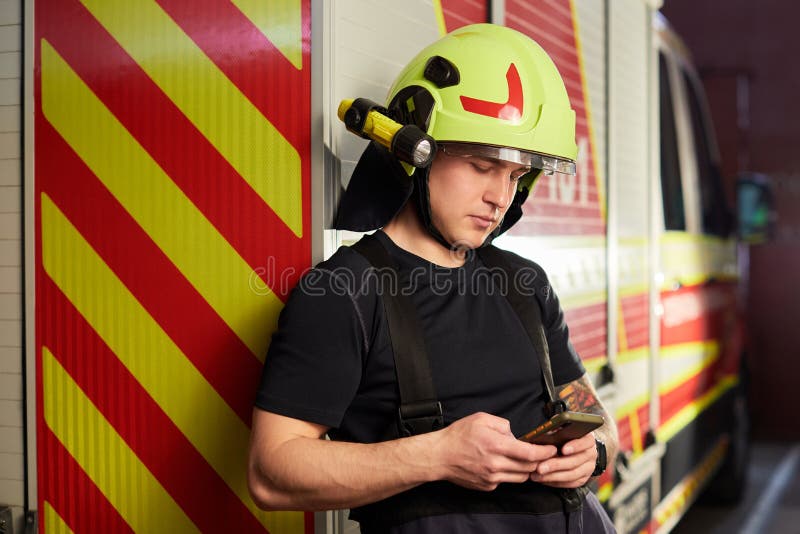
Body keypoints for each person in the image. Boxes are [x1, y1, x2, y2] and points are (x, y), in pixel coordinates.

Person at [248, 23, 618, 533]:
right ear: (414, 152)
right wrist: (438, 455)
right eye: (481, 165)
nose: (501, 197)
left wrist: (594, 450)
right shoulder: (343, 293)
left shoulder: (523, 283)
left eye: (515, 176)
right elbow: (270, 472)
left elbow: (597, 415)